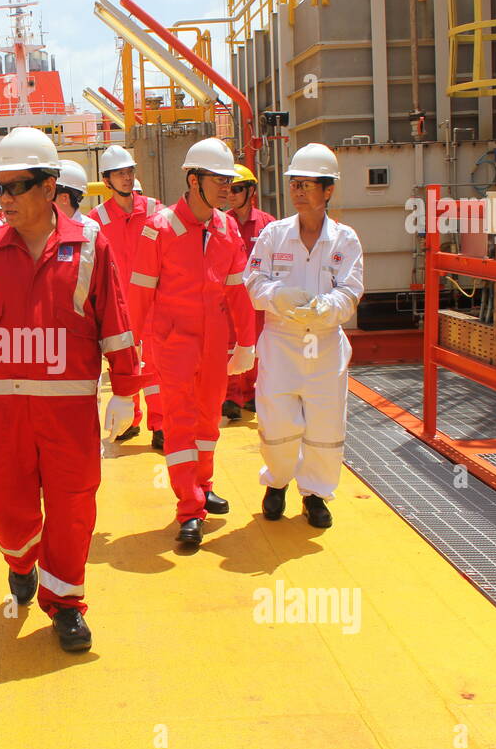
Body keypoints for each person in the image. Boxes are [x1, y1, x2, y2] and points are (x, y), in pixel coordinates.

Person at [0, 127, 146, 651]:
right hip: (3, 411)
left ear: (50, 188)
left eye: (15, 187)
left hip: (68, 411)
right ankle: (20, 558)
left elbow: (115, 322)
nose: (2, 199)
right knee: (4, 505)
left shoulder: (90, 244)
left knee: (73, 508)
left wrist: (125, 388)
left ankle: (66, 603)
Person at [127, 137, 257, 548]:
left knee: (208, 421)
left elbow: (237, 290)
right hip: (173, 342)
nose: (225, 188)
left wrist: (246, 342)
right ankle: (189, 507)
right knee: (181, 423)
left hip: (215, 342)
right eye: (217, 180)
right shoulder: (159, 228)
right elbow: (139, 293)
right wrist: (131, 348)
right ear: (192, 179)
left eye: (229, 181)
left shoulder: (226, 227)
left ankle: (204, 484)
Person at [245, 143, 365, 529]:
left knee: (325, 428)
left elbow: (351, 291)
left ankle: (314, 494)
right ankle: (276, 483)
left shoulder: (345, 241)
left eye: (306, 184)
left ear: (328, 190)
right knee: (278, 424)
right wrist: (277, 297)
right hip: (281, 344)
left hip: (325, 346)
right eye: (294, 184)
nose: (297, 191)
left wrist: (326, 307)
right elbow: (253, 281)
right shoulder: (273, 236)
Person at [90, 144, 164, 445]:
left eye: (129, 172)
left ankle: (160, 424)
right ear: (106, 180)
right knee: (125, 362)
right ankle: (130, 419)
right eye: (119, 173)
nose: (126, 178)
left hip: (155, 301)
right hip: (120, 305)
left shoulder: (154, 209)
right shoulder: (96, 219)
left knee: (158, 365)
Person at [222, 163, 276, 421]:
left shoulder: (268, 225)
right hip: (229, 296)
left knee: (255, 344)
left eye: (237, 188)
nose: (231, 194)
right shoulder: (221, 223)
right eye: (229, 189)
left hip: (258, 298)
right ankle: (230, 397)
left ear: (250, 191)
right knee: (230, 345)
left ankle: (251, 394)